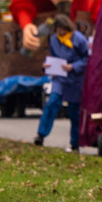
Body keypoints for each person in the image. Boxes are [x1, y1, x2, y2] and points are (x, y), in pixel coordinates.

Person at [34, 15, 89, 151]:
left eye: (63, 29)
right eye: (58, 29)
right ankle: (41, 135)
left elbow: (87, 59)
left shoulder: (79, 39)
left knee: (74, 112)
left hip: (75, 80)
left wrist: (73, 66)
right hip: (60, 78)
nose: (61, 32)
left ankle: (75, 143)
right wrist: (48, 67)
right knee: (51, 104)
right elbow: (53, 57)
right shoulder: (54, 40)